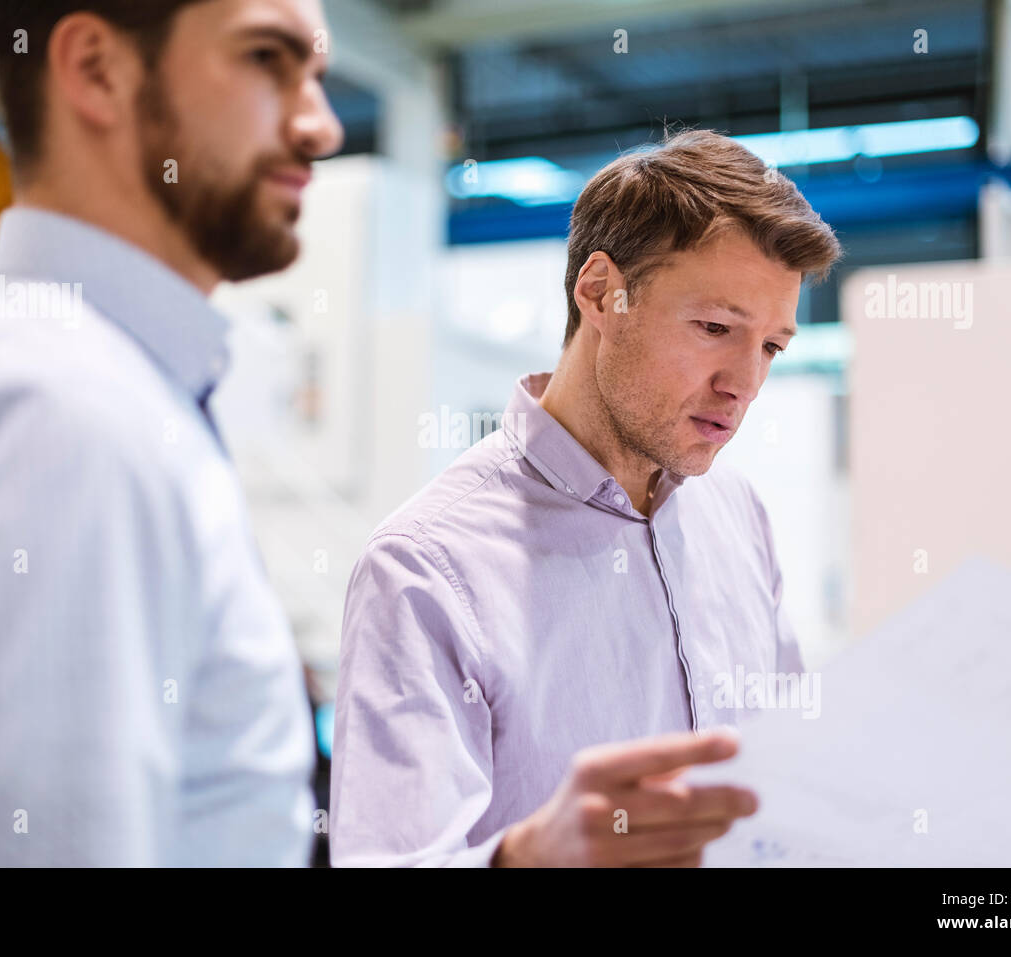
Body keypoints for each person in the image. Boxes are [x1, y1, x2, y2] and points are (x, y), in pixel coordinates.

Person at [0, 0, 343, 866]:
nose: (319, 125)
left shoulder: (109, 391)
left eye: (318, 75)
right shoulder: (56, 416)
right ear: (96, 70)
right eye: (265, 59)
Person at [330, 130, 843, 867]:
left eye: (770, 347)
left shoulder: (736, 514)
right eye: (714, 328)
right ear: (602, 293)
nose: (745, 383)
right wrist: (527, 857)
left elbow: (786, 771)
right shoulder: (425, 568)